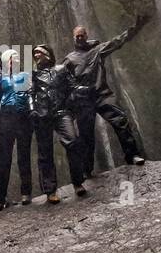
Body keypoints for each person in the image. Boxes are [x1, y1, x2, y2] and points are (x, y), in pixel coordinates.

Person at [64, 15, 149, 176]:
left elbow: (118, 41)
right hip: (83, 101)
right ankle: (86, 169)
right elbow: (62, 80)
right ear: (74, 38)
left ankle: (132, 156)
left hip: (102, 94)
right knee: (86, 134)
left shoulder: (98, 50)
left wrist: (135, 28)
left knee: (120, 120)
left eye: (82, 35)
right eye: (77, 36)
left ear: (86, 35)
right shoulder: (69, 59)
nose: (80, 38)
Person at [30, 43, 87, 201]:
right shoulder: (33, 73)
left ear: (47, 54)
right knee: (45, 152)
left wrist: (70, 104)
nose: (36, 56)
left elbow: (73, 87)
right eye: (34, 54)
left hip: (62, 112)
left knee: (73, 142)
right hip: (42, 115)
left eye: (39, 53)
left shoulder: (61, 69)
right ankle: (50, 191)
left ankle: (78, 182)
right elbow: (29, 92)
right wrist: (32, 110)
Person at [0, 48, 34, 208]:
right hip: (6, 116)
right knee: (4, 157)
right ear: (6, 62)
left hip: (23, 115)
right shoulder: (0, 78)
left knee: (24, 155)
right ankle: (0, 197)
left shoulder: (25, 76)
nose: (15, 61)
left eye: (17, 59)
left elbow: (31, 94)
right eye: (12, 59)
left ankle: (26, 193)